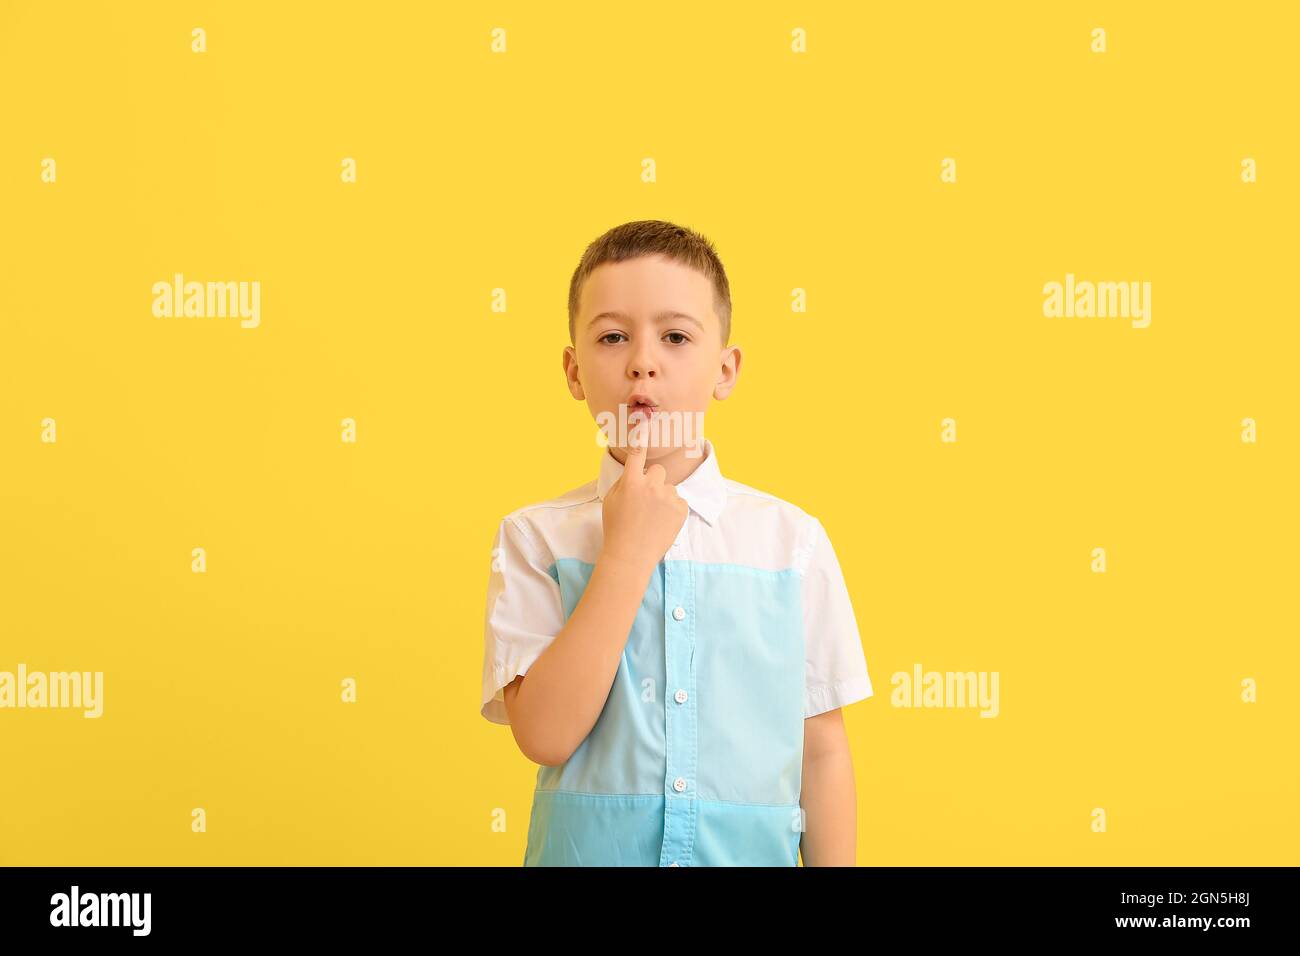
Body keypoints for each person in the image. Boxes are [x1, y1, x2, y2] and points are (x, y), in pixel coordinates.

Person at [480, 219, 873, 865]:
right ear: (574, 371)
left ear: (725, 369)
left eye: (675, 336)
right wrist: (626, 552)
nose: (643, 360)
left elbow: (822, 746)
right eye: (612, 336)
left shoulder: (791, 543)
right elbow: (545, 735)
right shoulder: (536, 537)